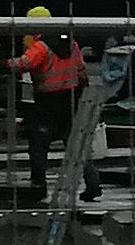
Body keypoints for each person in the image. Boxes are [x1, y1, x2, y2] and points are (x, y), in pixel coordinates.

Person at [12, 13, 83, 200]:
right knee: (76, 146)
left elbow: (24, 64)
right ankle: (93, 183)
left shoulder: (41, 46)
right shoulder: (71, 44)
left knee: (38, 145)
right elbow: (81, 70)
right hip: (70, 100)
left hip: (46, 103)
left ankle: (38, 184)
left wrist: (2, 64)